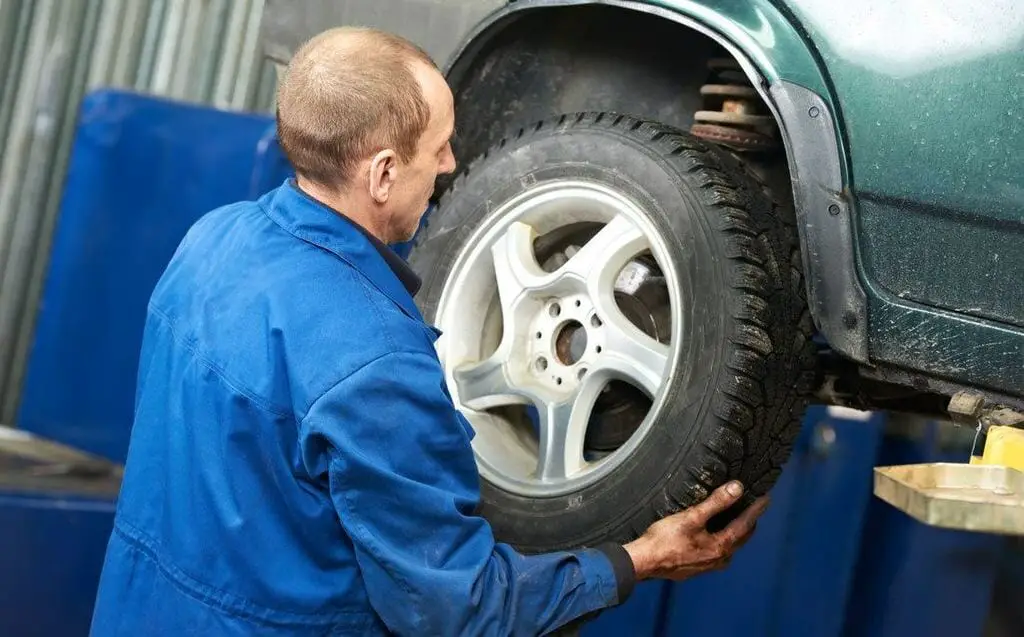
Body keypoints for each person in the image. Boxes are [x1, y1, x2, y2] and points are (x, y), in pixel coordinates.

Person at [89, 26, 769, 636]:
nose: (450, 166)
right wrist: (637, 560)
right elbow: (456, 608)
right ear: (383, 172)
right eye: (440, 146)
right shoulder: (375, 361)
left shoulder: (210, 241)